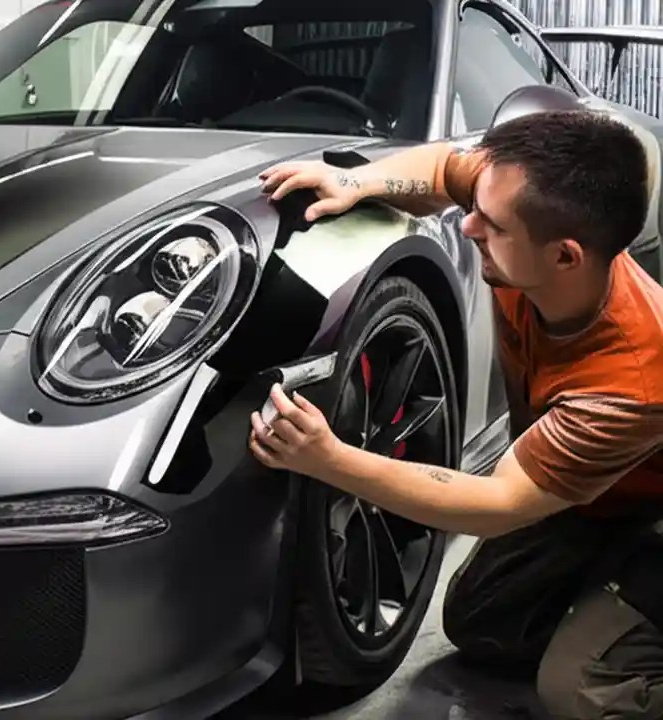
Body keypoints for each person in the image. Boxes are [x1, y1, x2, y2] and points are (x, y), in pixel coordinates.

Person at [250, 109, 663, 720]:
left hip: (653, 519)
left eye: (490, 226)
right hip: (596, 500)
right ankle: (599, 588)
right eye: (476, 207)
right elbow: (446, 169)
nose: (466, 224)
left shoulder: (632, 378)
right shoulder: (528, 206)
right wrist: (360, 183)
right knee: (478, 621)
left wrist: (330, 459)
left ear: (566, 258)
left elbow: (494, 505)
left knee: (580, 694)